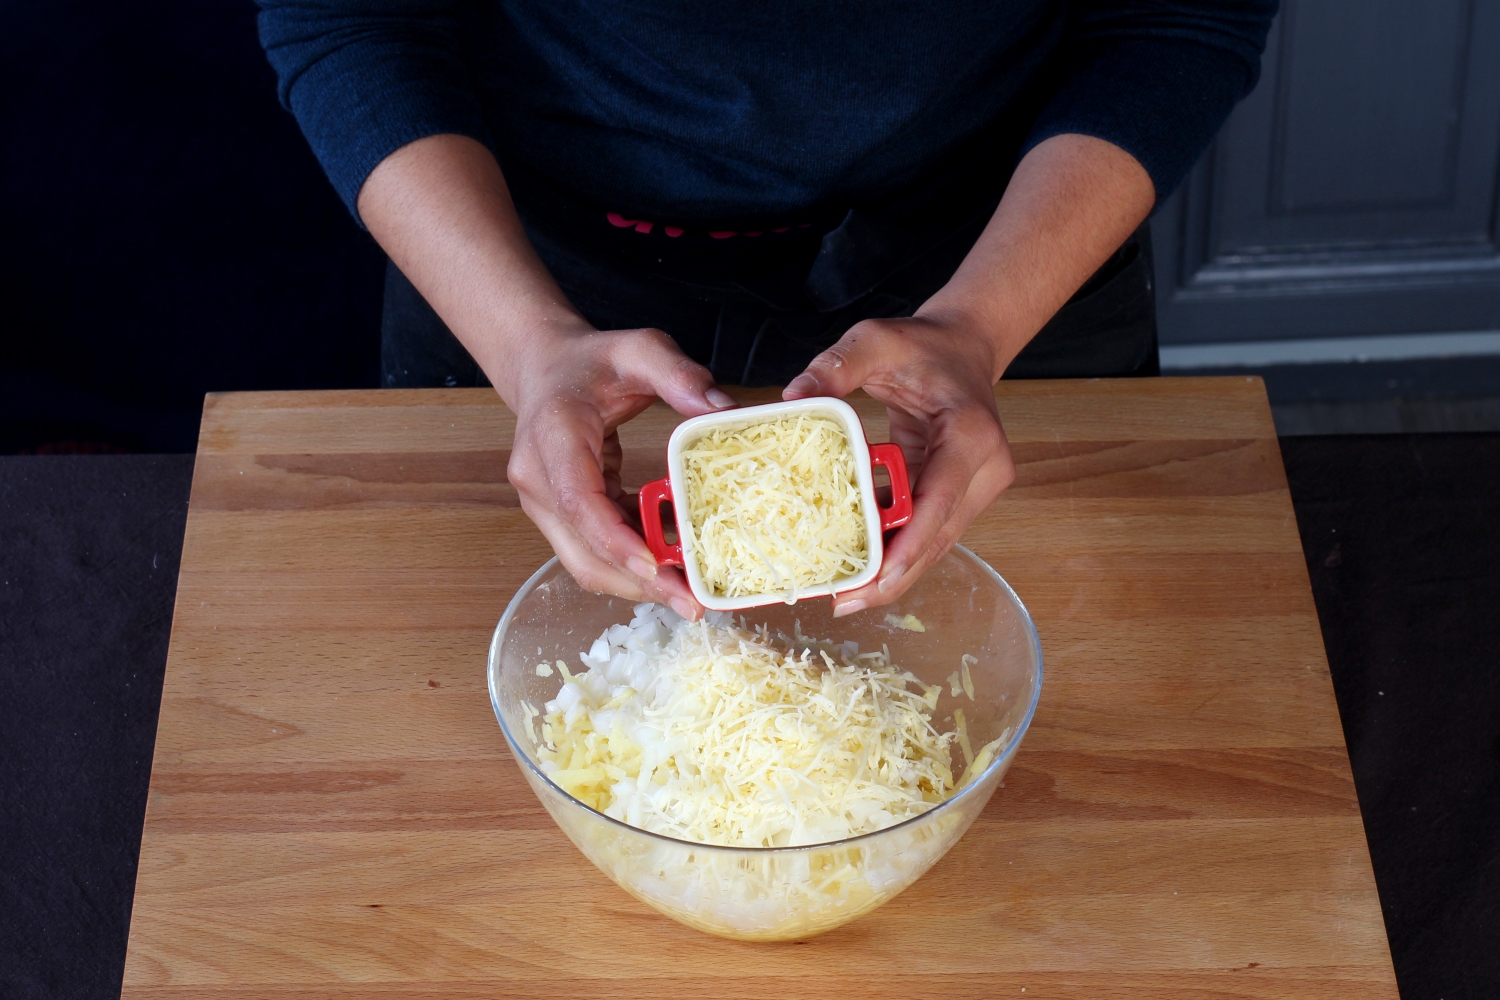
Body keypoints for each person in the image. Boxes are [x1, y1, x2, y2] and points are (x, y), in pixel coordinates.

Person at [258, 0, 1277, 621]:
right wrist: (529, 353)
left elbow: (1176, 13)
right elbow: (351, 17)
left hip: (1014, 238)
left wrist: (980, 324)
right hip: (526, 268)